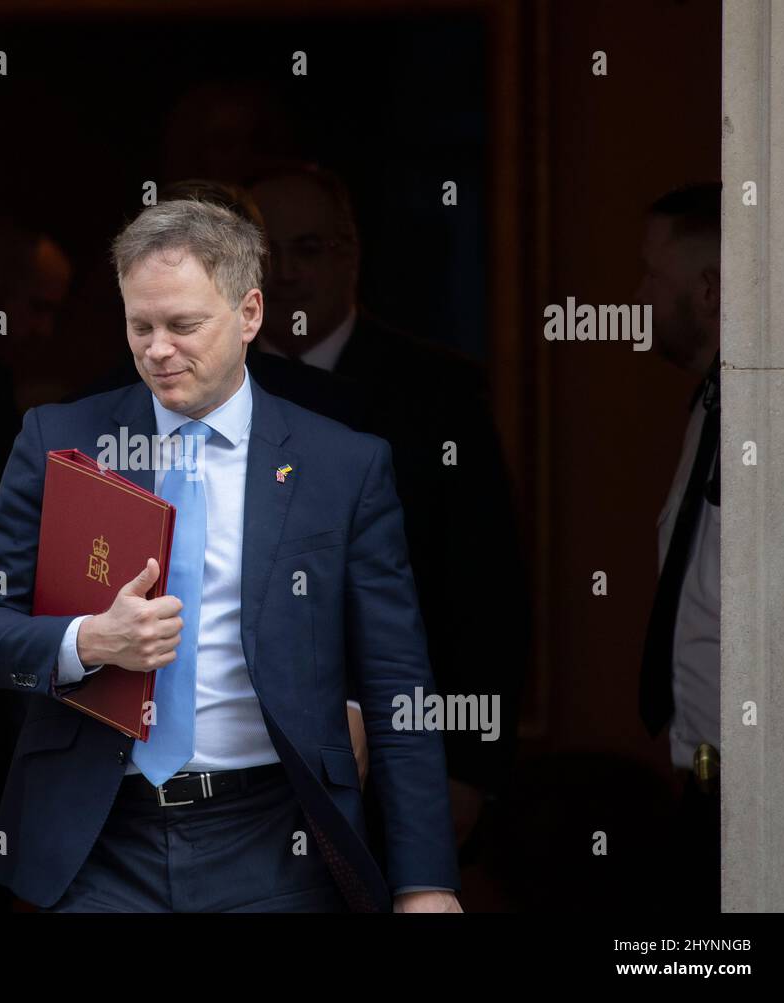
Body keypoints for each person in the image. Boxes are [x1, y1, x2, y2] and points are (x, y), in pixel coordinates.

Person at [0, 197, 461, 912]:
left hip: (273, 838)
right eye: (141, 325)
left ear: (249, 313)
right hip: (98, 838)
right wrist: (90, 640)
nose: (158, 349)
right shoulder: (60, 441)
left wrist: (426, 881)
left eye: (184, 325)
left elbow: (397, 683)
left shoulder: (341, 465)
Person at [249, 164, 528, 850]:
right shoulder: (196, 385)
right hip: (232, 770)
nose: (283, 273)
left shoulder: (440, 395)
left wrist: (468, 769)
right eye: (265, 253)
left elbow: (483, 590)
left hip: (396, 764)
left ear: (351, 254)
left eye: (307, 249)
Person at [635, 182, 722, 912]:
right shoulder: (709, 404)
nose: (637, 298)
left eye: (651, 277)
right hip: (705, 782)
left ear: (710, 288)